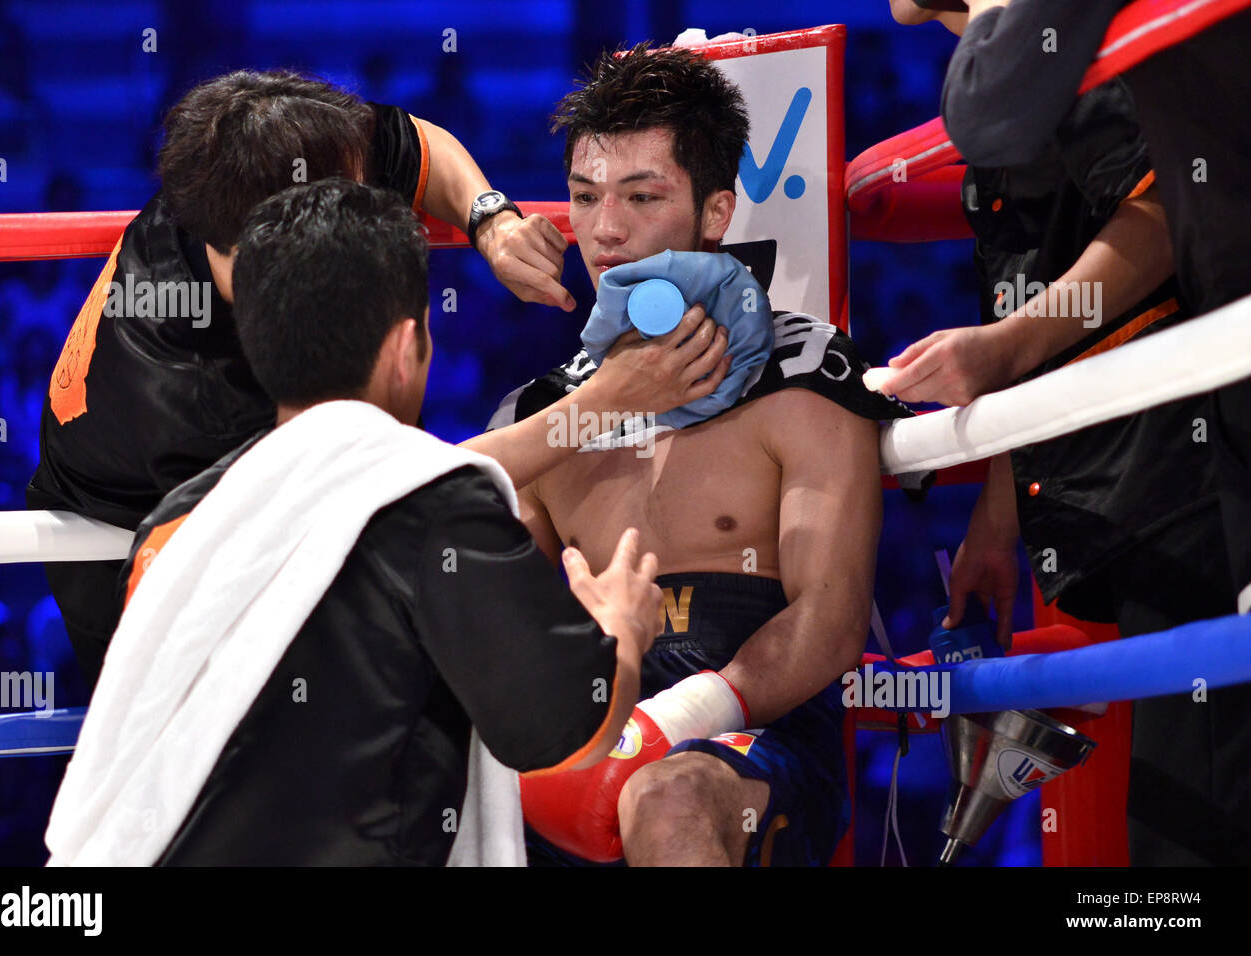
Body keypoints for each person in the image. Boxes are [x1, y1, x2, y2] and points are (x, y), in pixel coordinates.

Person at [26, 69, 728, 687]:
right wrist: (606, 402)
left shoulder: (245, 172)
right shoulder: (192, 393)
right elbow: (378, 494)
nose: (375, 208)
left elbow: (411, 143)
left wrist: (493, 223)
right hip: (148, 553)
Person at [45, 179, 664, 866]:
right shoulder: (434, 503)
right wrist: (622, 630)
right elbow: (567, 731)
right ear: (407, 346)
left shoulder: (177, 519)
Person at [492, 44, 909, 867]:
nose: (606, 230)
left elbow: (829, 621)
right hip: (581, 735)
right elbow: (487, 619)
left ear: (716, 213)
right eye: (585, 198)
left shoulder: (806, 375)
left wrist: (668, 724)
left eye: (642, 197)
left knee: (672, 794)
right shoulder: (543, 417)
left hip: (757, 745)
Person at [886, 0, 1251, 864]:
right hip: (1114, 480)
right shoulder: (1029, 60)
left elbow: (1160, 214)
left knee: (1191, 833)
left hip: (1177, 471)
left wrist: (1007, 346)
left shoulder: (1061, 58)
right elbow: (1026, 289)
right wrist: (997, 519)